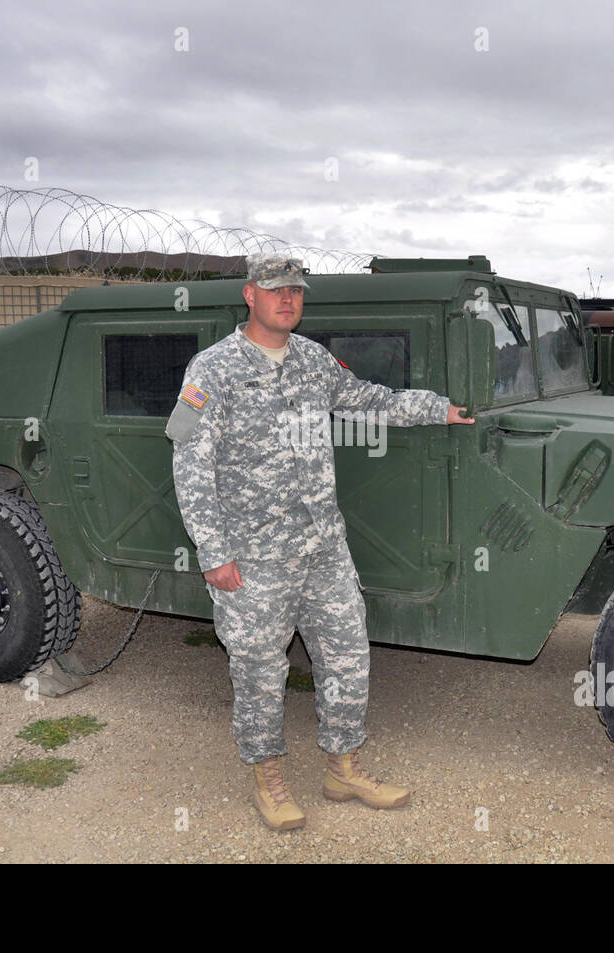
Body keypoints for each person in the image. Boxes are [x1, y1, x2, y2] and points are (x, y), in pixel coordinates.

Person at [165, 253, 475, 830]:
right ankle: (270, 779)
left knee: (347, 659)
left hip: (323, 549)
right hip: (254, 558)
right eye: (276, 289)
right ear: (250, 295)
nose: (288, 299)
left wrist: (439, 409)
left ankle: (343, 767)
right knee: (259, 670)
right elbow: (189, 465)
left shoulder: (312, 361)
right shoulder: (212, 369)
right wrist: (214, 553)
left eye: (297, 292)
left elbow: (371, 400)